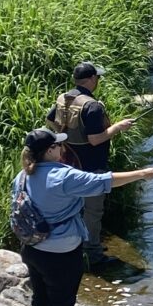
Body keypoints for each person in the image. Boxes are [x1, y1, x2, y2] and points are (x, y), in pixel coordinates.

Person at [15, 127, 153, 306]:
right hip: (60, 254)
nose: (62, 148)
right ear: (49, 150)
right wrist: (143, 174)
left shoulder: (22, 175)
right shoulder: (63, 176)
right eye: (58, 145)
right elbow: (103, 182)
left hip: (32, 250)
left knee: (40, 301)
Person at [47, 61, 135, 269]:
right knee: (93, 212)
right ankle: (92, 254)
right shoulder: (92, 106)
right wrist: (118, 127)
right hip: (92, 166)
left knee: (73, 207)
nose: (99, 81)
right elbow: (96, 139)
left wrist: (66, 139)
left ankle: (74, 245)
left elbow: (50, 121)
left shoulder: (63, 98)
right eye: (98, 77)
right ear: (92, 79)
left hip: (67, 162)